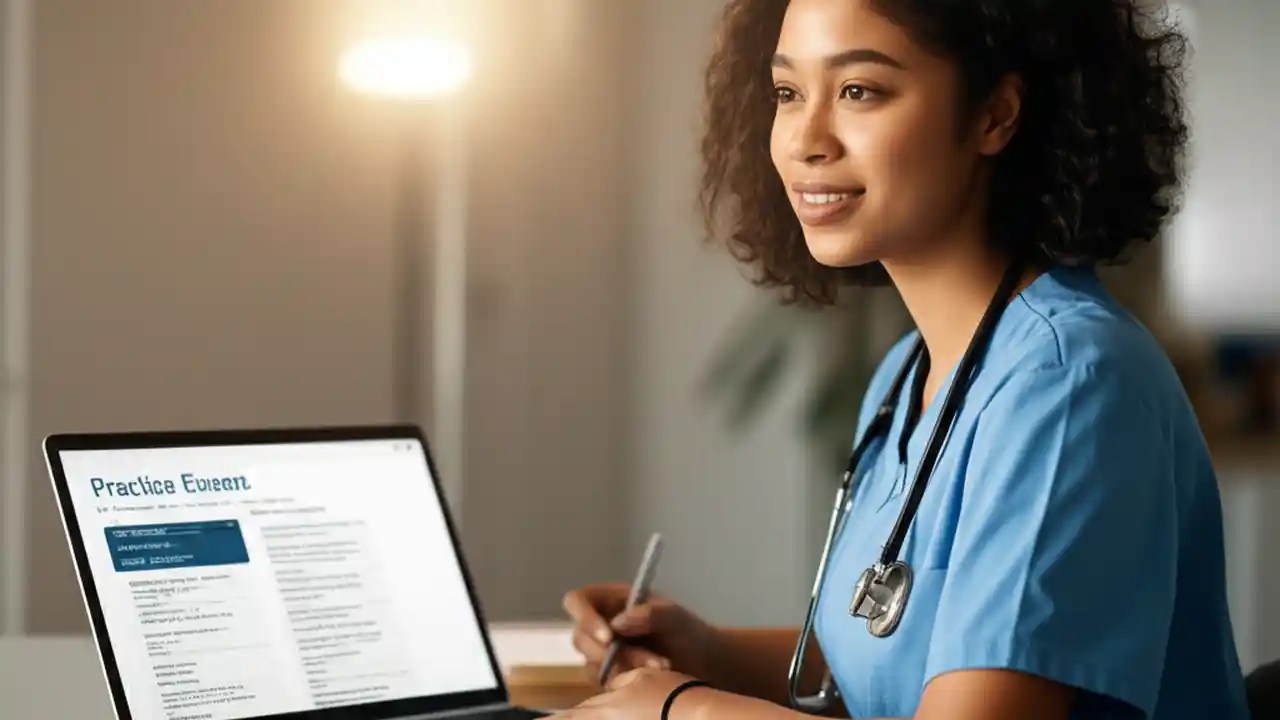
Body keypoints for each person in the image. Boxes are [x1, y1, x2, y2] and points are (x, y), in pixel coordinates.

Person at [557, 0, 1251, 718]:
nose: (805, 140)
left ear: (995, 114)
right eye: (788, 93)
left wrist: (686, 709)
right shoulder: (906, 377)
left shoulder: (1069, 382)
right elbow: (908, 646)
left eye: (859, 91)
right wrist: (708, 653)